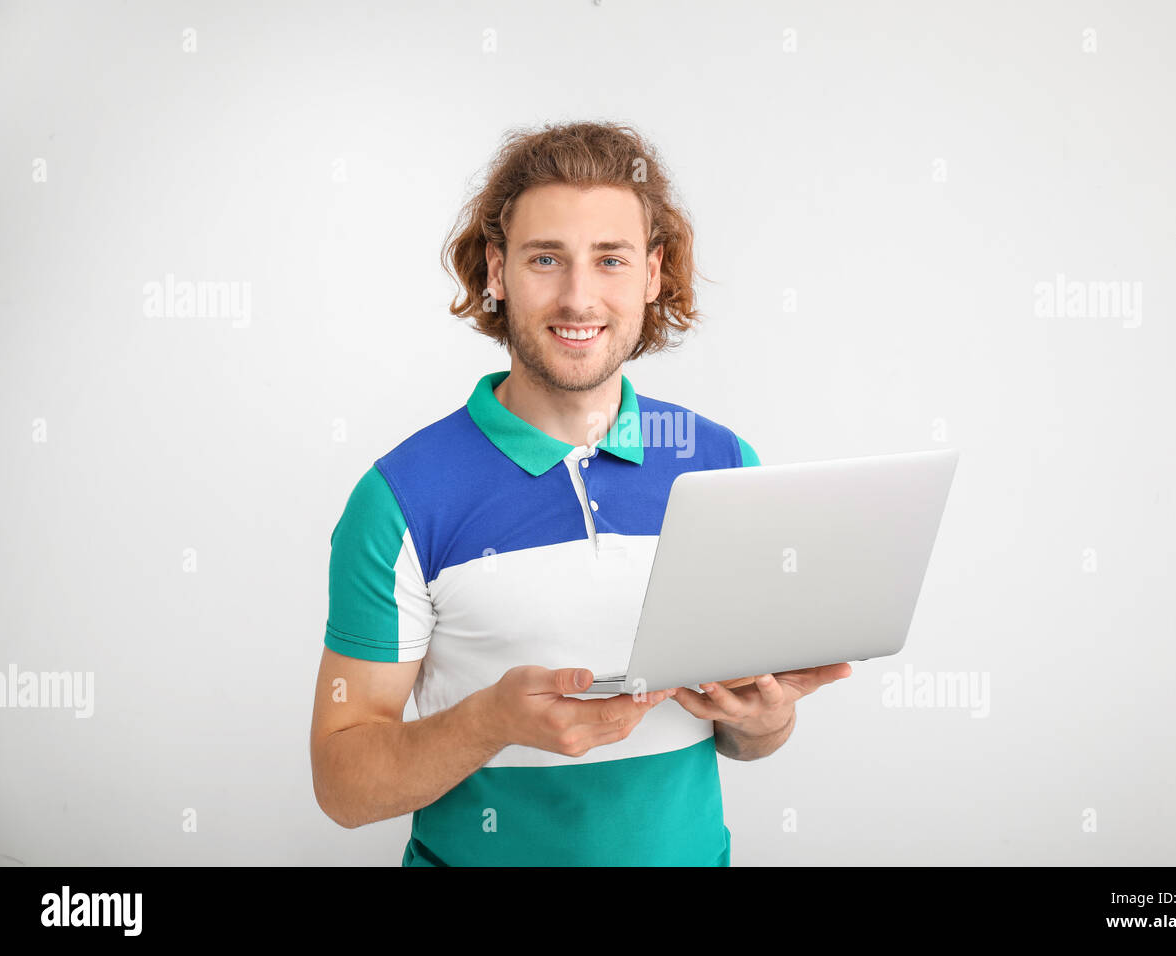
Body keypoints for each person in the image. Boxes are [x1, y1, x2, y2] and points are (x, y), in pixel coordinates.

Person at [309, 120, 851, 866]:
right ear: (497, 270)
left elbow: (750, 738)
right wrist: (487, 723)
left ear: (653, 273)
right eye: (545, 259)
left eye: (610, 260)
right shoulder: (400, 498)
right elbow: (342, 785)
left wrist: (764, 717)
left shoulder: (722, 463)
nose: (578, 297)